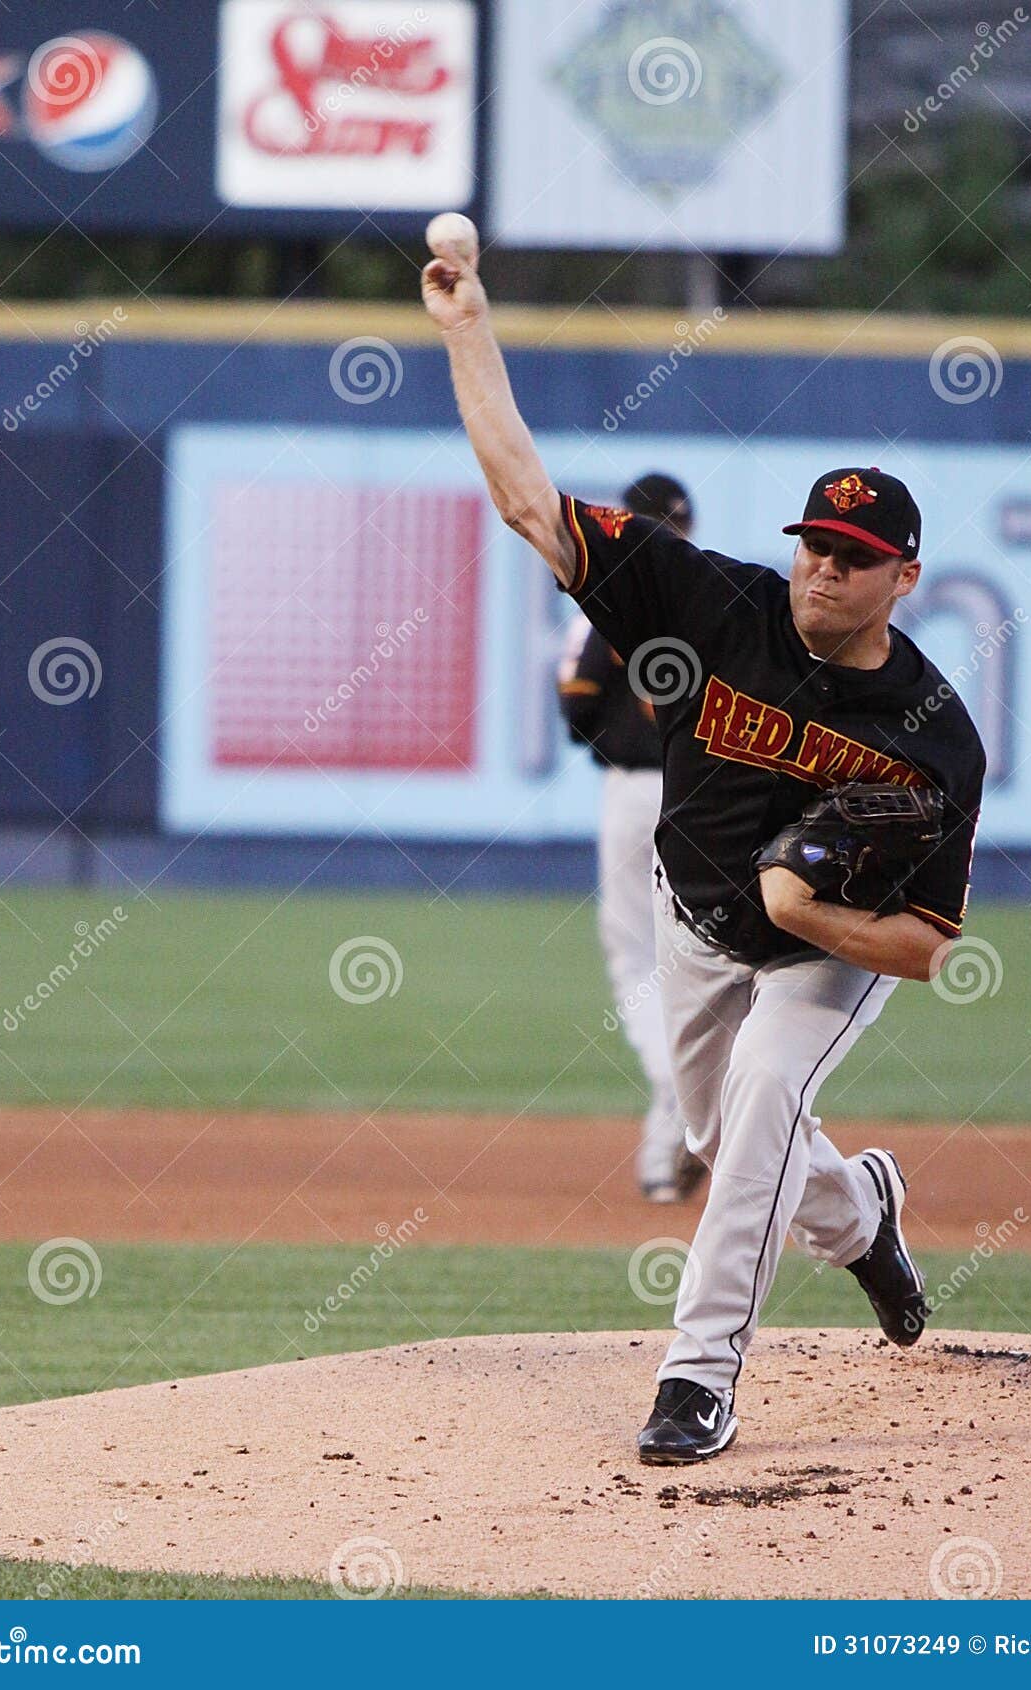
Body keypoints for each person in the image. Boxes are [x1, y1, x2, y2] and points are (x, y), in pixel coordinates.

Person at [422, 233, 985, 1467]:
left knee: (772, 1092)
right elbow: (528, 499)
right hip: (691, 918)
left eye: (852, 558)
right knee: (722, 1140)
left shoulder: (931, 738)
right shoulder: (707, 598)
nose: (821, 569)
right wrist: (467, 325)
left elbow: (929, 948)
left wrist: (808, 913)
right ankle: (864, 1214)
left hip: (824, 960)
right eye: (812, 545)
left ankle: (696, 1378)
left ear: (905, 577)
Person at [557, 473, 704, 1202]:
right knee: (701, 957)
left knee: (637, 960)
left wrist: (609, 731)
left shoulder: (608, 594)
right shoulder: (717, 596)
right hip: (705, 799)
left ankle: (684, 1097)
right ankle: (664, 1153)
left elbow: (576, 701)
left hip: (633, 791)